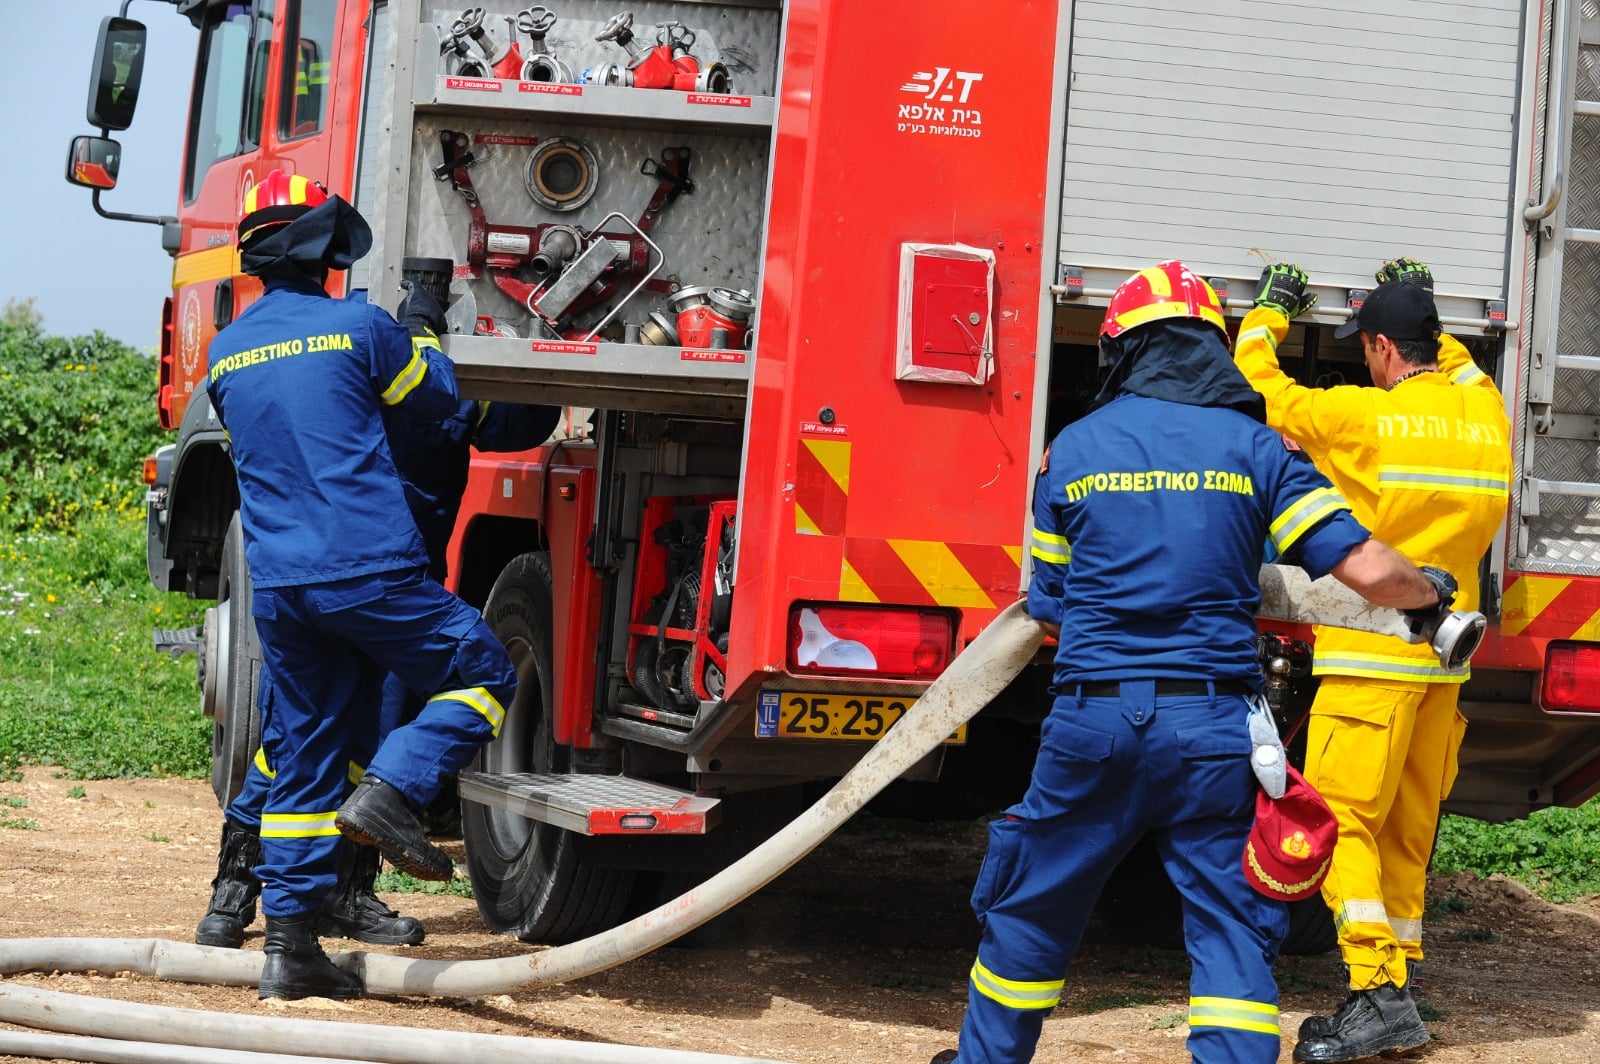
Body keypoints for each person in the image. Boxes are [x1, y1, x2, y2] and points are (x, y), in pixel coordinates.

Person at [930, 261, 1455, 1064]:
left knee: (1033, 908)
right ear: (1210, 348)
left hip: (1090, 723)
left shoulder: (1071, 451)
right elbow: (1367, 571)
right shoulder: (1255, 447)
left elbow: (1050, 606)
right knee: (1228, 923)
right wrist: (1427, 596)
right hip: (1212, 729)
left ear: (1123, 350)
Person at [204, 170, 520, 1001]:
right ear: (326, 251)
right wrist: (419, 332)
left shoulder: (226, 350)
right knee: (483, 671)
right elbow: (440, 396)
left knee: (305, 755)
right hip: (370, 569)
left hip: (282, 587)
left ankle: (291, 947)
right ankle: (394, 788)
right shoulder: (358, 327)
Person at [1233, 260, 1511, 1062]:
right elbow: (1459, 364)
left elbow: (1265, 386)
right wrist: (1422, 297)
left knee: (1342, 820)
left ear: (1385, 346)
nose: (1365, 361)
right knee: (1405, 829)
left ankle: (1376, 995)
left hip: (1369, 659)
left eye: (1368, 348)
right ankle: (1399, 978)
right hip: (1442, 671)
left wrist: (1272, 311)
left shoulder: (1363, 416)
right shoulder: (1484, 411)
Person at [194, 397, 559, 950]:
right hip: (365, 588)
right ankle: (236, 888)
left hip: (373, 593)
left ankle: (329, 895)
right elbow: (521, 422)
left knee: (355, 742)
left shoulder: (396, 377)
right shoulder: (398, 373)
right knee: (296, 739)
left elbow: (519, 422)